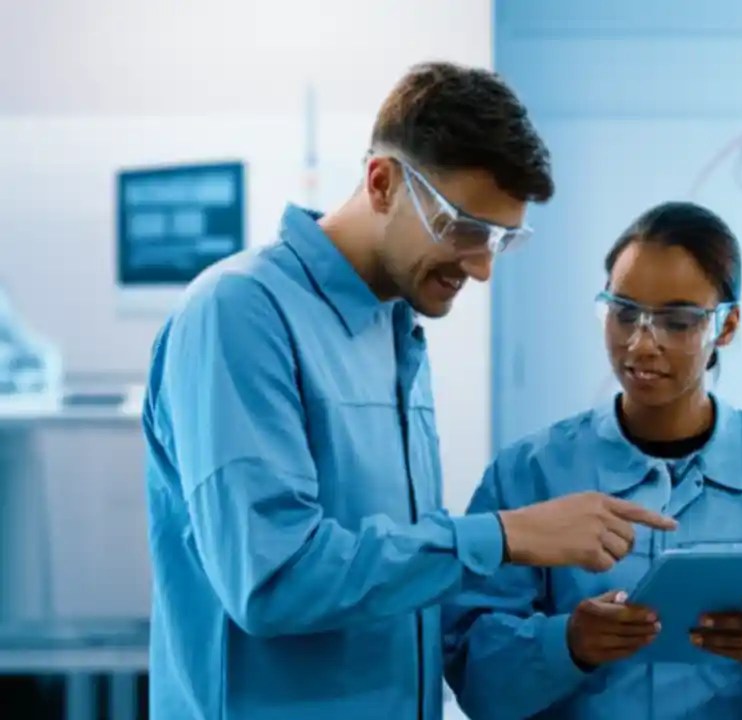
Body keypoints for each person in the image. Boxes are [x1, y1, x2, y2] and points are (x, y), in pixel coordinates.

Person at [141, 62, 676, 720]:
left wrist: (565, 635)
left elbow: (395, 580)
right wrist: (502, 537)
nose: (482, 267)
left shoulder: (396, 333)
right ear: (382, 182)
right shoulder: (240, 313)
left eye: (502, 240)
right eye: (465, 229)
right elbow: (272, 579)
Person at [443, 201, 742, 719]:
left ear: (726, 326)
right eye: (624, 313)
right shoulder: (530, 473)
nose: (641, 343)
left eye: (677, 322)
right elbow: (473, 672)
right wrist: (567, 644)